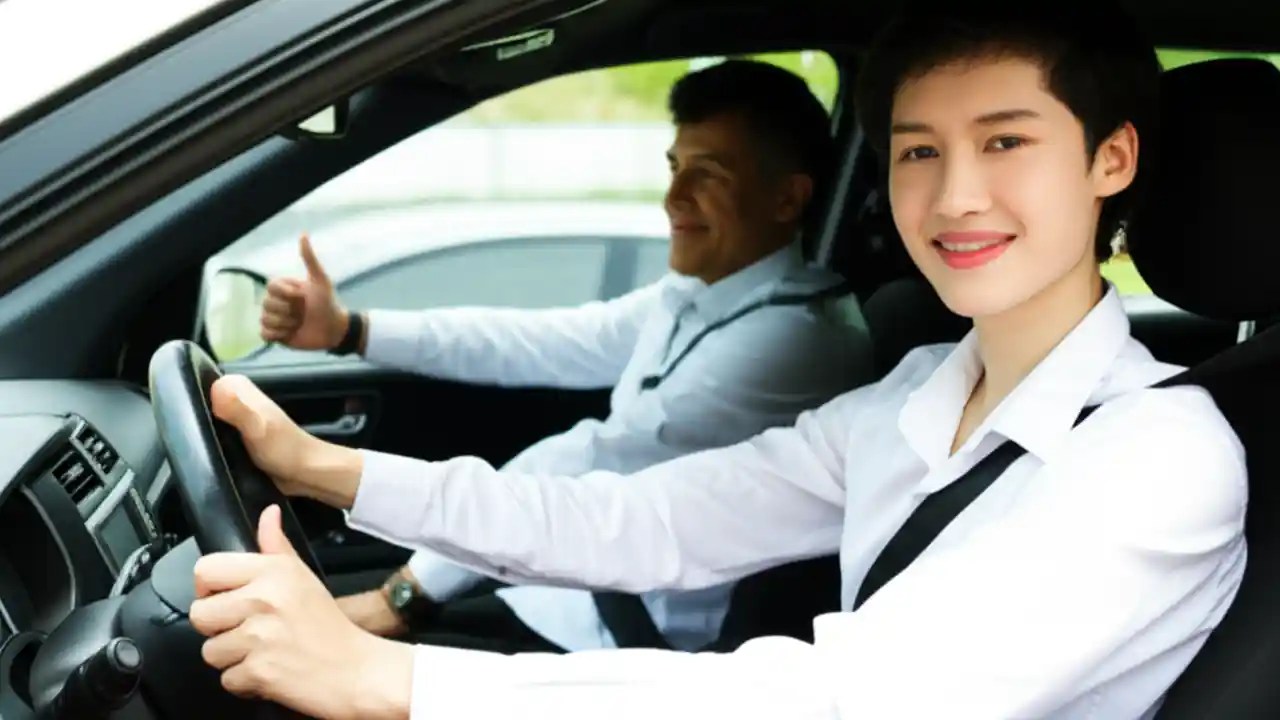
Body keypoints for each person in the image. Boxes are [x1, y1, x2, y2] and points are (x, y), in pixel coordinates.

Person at [190, 2, 1248, 718]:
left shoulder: (1162, 456)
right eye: (919, 149)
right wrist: (325, 469)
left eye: (1004, 141)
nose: (954, 193)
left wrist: (394, 677)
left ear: (1109, 158)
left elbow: (840, 701)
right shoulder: (916, 396)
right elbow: (649, 517)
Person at [257, 59, 874, 654]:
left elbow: (587, 461)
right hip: (573, 588)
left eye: (708, 174)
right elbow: (540, 341)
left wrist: (403, 596)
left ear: (788, 200)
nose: (674, 198)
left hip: (633, 632)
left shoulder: (793, 341)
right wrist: (351, 330)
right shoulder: (708, 294)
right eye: (674, 167)